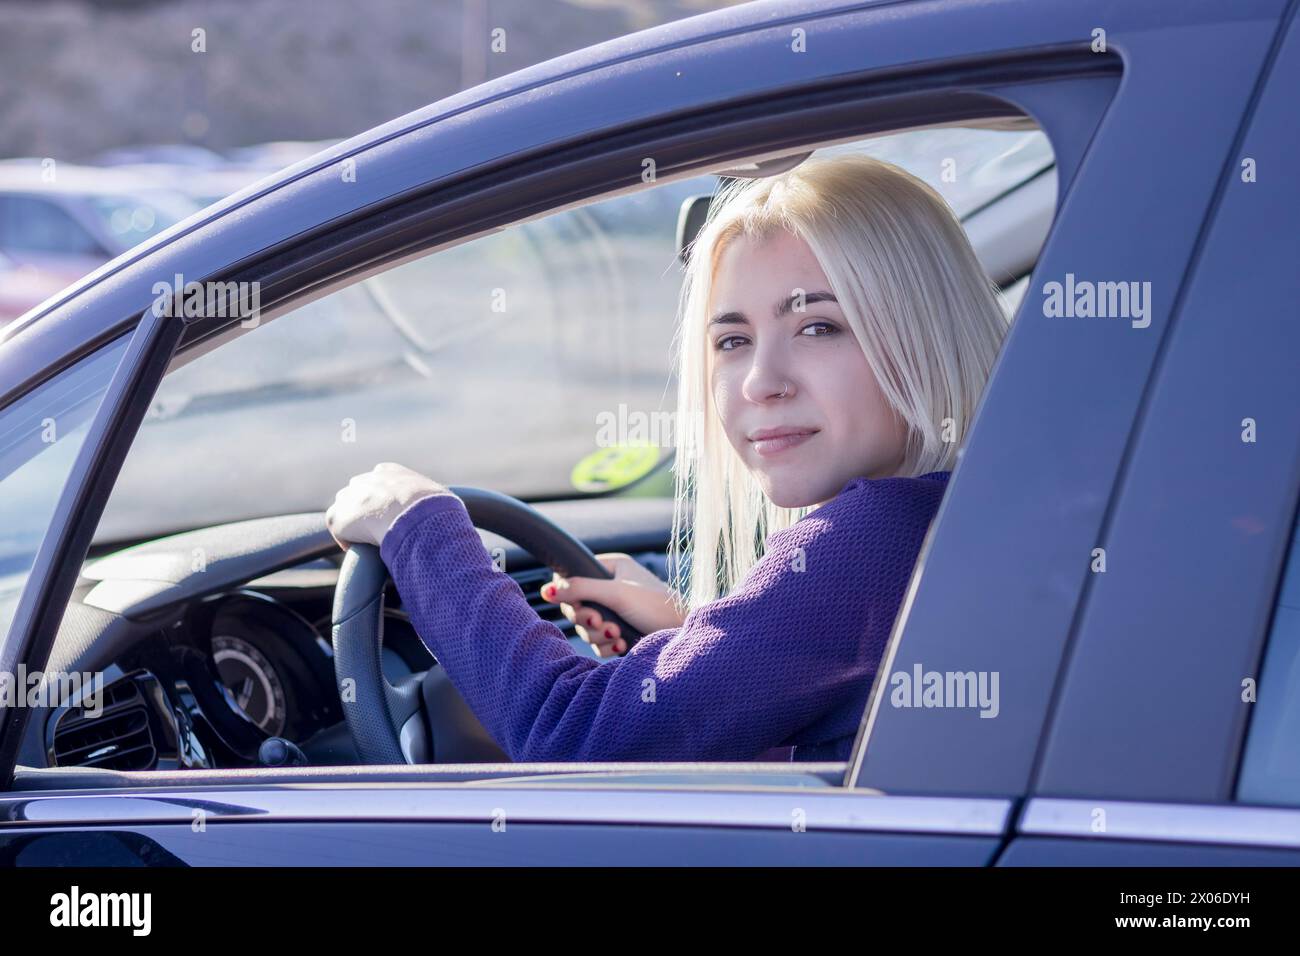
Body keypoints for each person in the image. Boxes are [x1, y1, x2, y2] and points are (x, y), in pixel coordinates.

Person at [326, 153, 1008, 761]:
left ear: (923, 335)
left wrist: (418, 528)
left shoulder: (881, 536)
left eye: (818, 327)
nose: (759, 381)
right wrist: (694, 638)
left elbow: (577, 737)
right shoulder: (963, 518)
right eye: (732, 340)